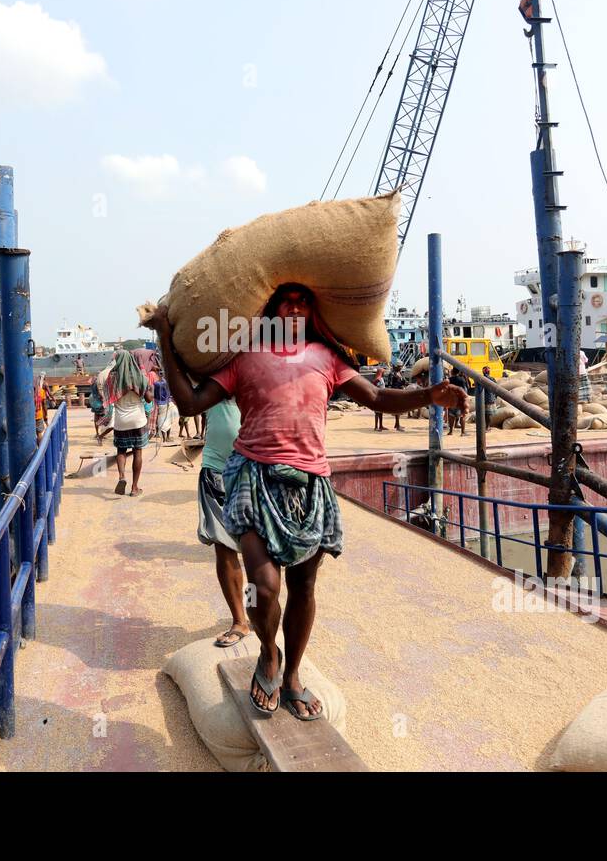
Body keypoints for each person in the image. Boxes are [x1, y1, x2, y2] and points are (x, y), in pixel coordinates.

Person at [147, 284, 465, 719]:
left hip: (310, 484)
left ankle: (292, 673)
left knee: (304, 587)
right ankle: (268, 653)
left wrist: (429, 396)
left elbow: (378, 398)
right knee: (265, 585)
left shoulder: (328, 359)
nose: (295, 306)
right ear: (272, 309)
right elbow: (188, 403)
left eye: (303, 300)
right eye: (286, 299)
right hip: (253, 479)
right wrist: (164, 334)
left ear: (312, 310)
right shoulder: (244, 356)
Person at [197, 396, 250, 648]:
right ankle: (240, 620)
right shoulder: (211, 378)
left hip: (255, 470)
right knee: (224, 547)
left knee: (256, 554)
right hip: (215, 470)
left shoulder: (259, 371)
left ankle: (254, 611)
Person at [101, 351, 153, 496]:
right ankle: (134, 488)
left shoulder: (111, 378)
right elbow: (149, 399)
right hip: (137, 420)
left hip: (120, 421)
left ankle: (122, 476)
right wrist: (149, 388)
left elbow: (106, 396)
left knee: (121, 451)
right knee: (137, 452)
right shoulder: (139, 377)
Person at [376, 364, 407, 432]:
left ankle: (397, 424)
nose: (400, 368)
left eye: (401, 366)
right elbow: (390, 385)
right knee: (396, 409)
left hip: (400, 392)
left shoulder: (400, 373)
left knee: (398, 409)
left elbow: (404, 382)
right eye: (399, 366)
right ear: (396, 367)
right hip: (394, 393)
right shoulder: (392, 374)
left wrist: (403, 384)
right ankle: (396, 425)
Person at [447, 367, 469, 435]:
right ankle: (462, 432)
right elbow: (464, 390)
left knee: (451, 416)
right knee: (462, 416)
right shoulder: (461, 380)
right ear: (458, 372)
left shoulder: (449, 380)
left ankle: (451, 431)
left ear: (452, 372)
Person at [372, 366, 387, 431]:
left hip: (382, 397)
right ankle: (376, 427)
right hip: (378, 397)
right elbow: (374, 387)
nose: (384, 373)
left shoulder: (381, 378)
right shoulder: (378, 379)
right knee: (377, 413)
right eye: (383, 372)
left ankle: (381, 425)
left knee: (381, 412)